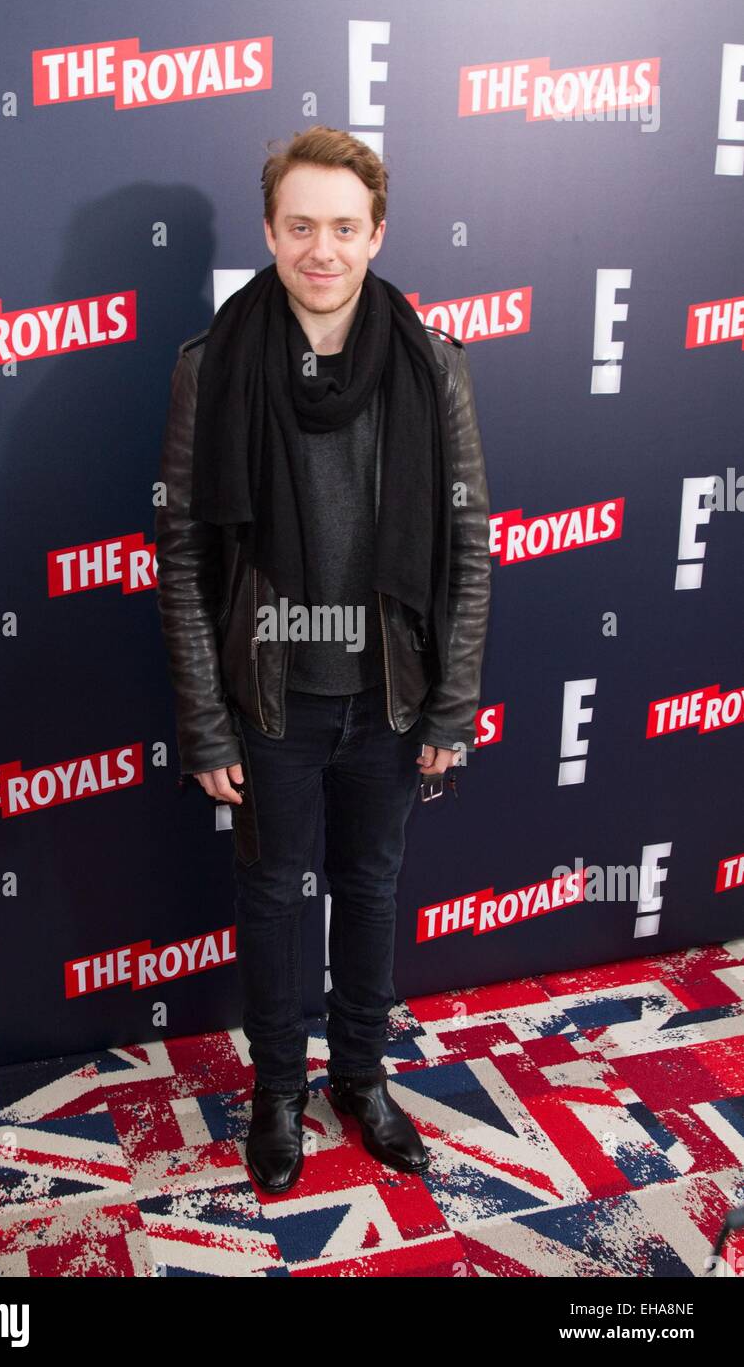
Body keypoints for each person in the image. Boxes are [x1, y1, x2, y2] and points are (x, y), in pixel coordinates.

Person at [155, 126, 491, 1195]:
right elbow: (185, 558)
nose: (321, 249)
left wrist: (450, 708)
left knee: (373, 887)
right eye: (300, 225)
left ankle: (360, 1077)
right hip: (272, 695)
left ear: (375, 234)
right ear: (269, 230)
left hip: (388, 696)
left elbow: (468, 543)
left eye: (343, 227)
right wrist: (207, 720)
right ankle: (276, 1092)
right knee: (269, 896)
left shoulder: (431, 363)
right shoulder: (211, 368)